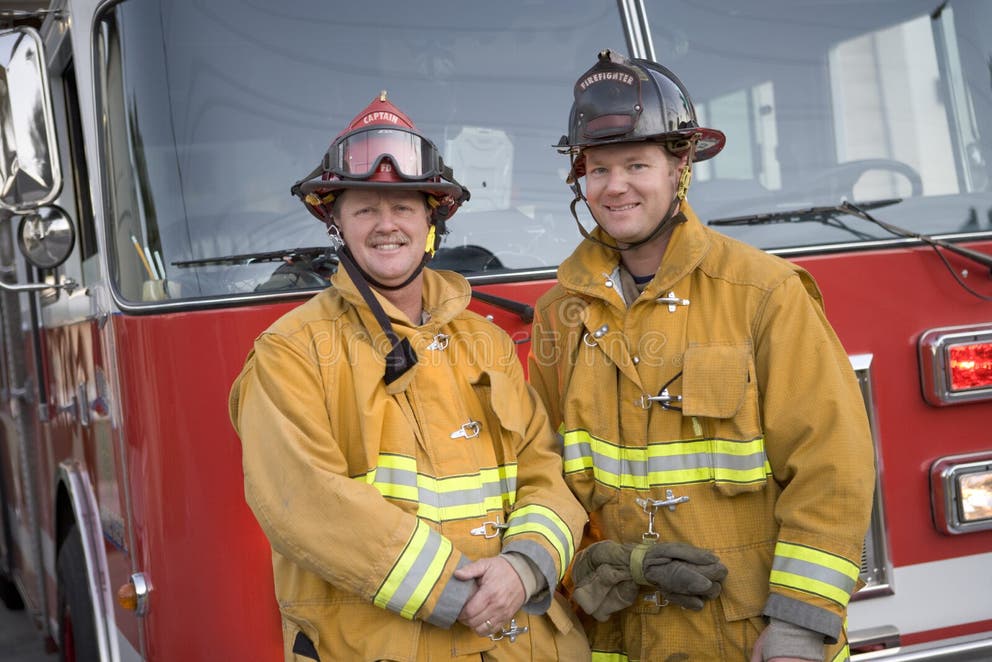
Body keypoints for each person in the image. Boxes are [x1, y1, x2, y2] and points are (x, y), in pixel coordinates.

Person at [527, 50, 876, 661]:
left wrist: (801, 624)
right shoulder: (560, 314)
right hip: (622, 637)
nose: (616, 186)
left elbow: (833, 465)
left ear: (680, 167)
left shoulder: (764, 293)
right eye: (600, 169)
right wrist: (584, 566)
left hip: (752, 635)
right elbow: (541, 469)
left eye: (637, 164)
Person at [229, 92, 590, 661]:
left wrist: (524, 567)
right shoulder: (289, 353)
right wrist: (453, 590)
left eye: (403, 206)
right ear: (336, 223)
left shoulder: (486, 342)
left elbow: (545, 470)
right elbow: (305, 500)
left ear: (432, 220)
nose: (386, 225)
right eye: (365, 208)